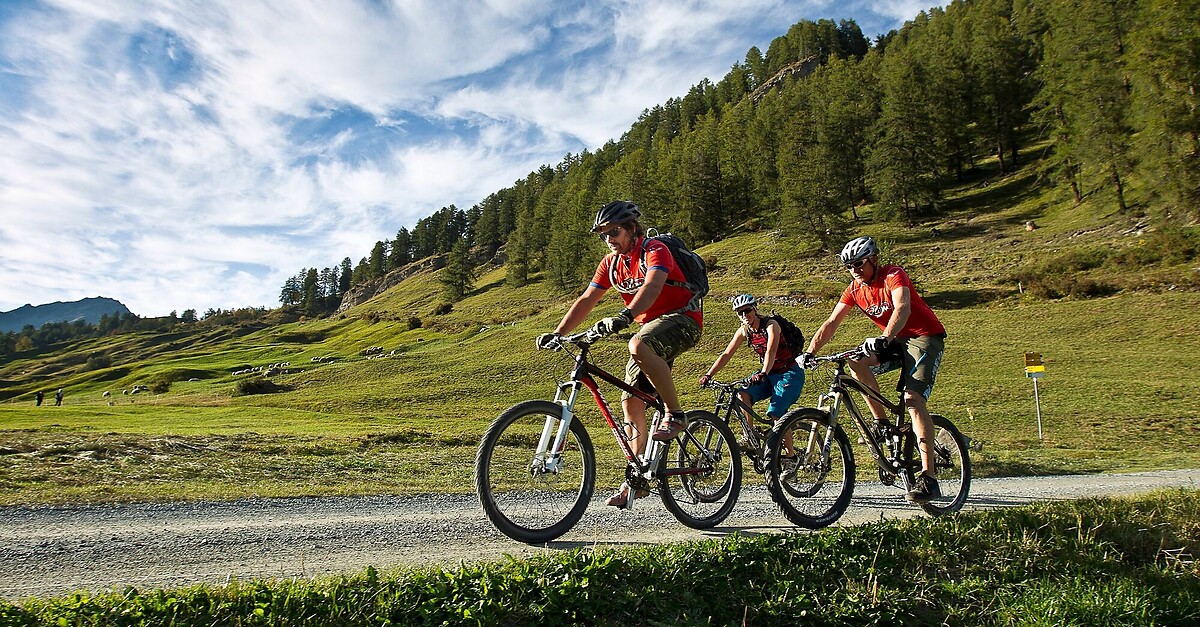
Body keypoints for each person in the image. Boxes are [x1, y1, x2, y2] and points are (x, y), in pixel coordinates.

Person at [536, 200, 703, 509]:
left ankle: (676, 415)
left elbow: (653, 286)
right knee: (631, 400)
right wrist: (559, 333)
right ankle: (637, 481)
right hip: (649, 327)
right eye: (603, 234)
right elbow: (587, 298)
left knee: (638, 345)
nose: (609, 239)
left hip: (683, 318)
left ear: (631, 229)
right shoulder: (611, 263)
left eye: (614, 232)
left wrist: (625, 315)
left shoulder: (655, 250)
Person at [801, 236, 947, 502]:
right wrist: (810, 352)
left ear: (873, 260)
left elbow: (902, 307)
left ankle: (929, 478)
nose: (855, 270)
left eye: (859, 264)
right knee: (855, 360)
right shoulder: (854, 289)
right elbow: (832, 322)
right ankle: (881, 422)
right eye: (850, 267)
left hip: (924, 336)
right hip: (895, 340)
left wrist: (885, 338)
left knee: (913, 400)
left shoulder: (893, 275)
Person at [698, 293, 804, 451]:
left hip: (789, 373)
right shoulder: (744, 331)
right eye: (739, 313)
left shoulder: (771, 325)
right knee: (742, 394)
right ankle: (749, 435)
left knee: (777, 413)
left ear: (755, 309)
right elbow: (726, 354)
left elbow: (771, 351)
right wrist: (709, 374)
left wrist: (763, 373)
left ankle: (791, 457)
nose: (744, 315)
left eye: (747, 311)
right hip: (768, 374)